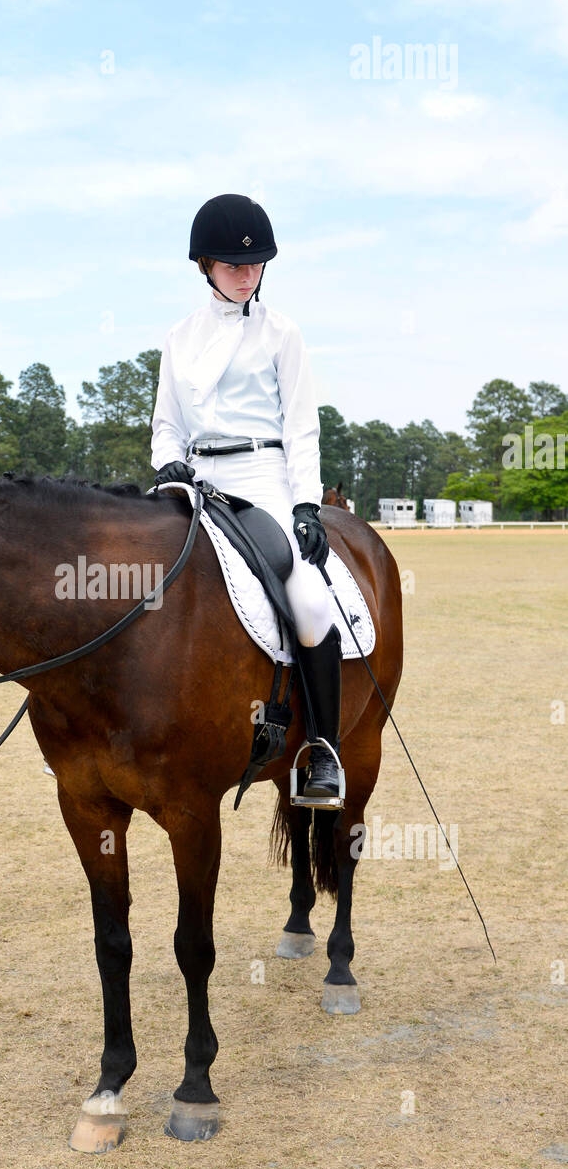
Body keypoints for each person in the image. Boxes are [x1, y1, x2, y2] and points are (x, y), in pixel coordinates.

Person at [150, 193, 342, 802]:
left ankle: (322, 753)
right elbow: (165, 425)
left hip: (265, 475)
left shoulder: (282, 334)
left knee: (310, 602)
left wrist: (307, 503)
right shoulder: (178, 338)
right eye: (234, 266)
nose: (246, 274)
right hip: (193, 479)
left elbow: (301, 425)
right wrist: (168, 463)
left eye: (256, 265)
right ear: (204, 265)